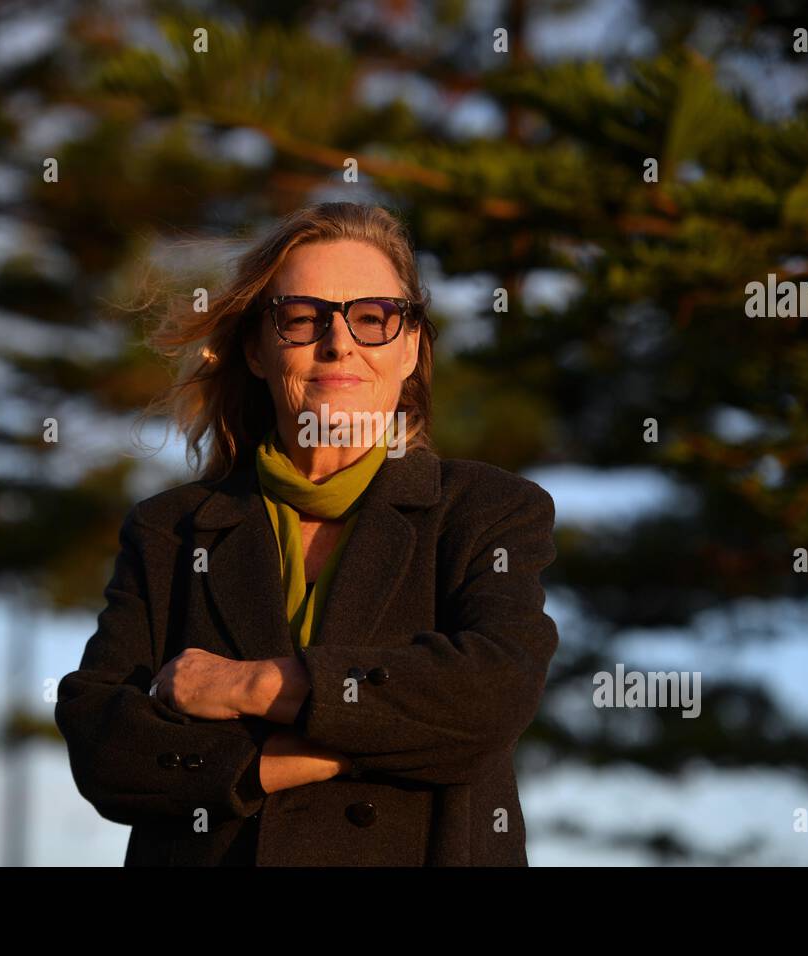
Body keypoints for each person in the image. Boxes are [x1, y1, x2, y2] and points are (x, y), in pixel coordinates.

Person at [54, 201, 559, 865]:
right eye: (302, 318)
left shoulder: (487, 511)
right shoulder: (171, 529)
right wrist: (278, 762)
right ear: (260, 351)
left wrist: (247, 686)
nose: (339, 341)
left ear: (410, 347)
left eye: (373, 317)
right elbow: (103, 744)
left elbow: (492, 692)